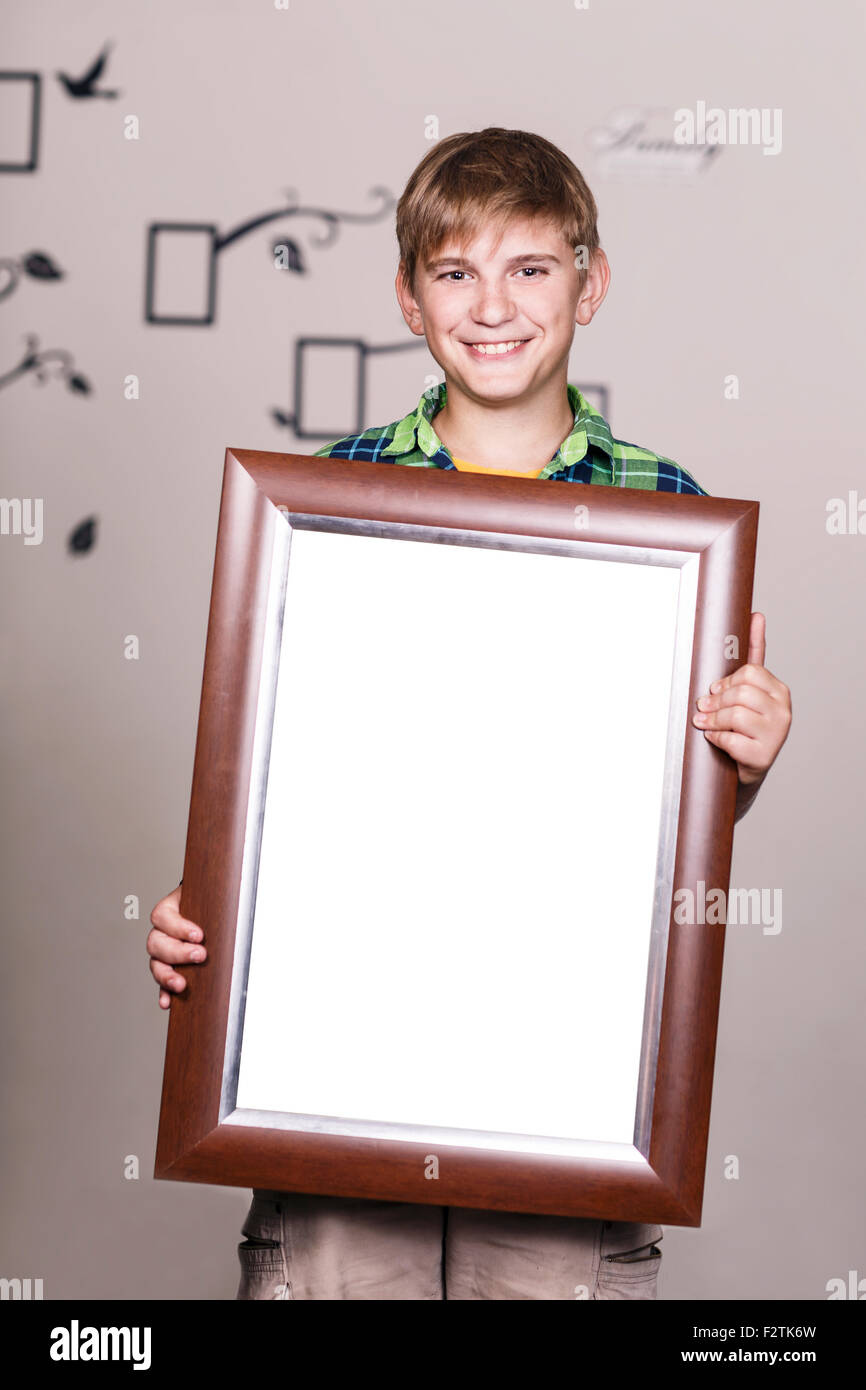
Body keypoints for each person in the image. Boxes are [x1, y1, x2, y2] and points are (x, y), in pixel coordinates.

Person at [147, 128, 792, 1300]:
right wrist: (213, 913)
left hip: (560, 1087)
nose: (491, 306)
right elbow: (285, 784)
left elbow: (658, 818)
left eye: (530, 268)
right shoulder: (323, 498)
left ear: (589, 283)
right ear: (407, 297)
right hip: (342, 1073)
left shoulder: (669, 516)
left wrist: (740, 762)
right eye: (454, 272)